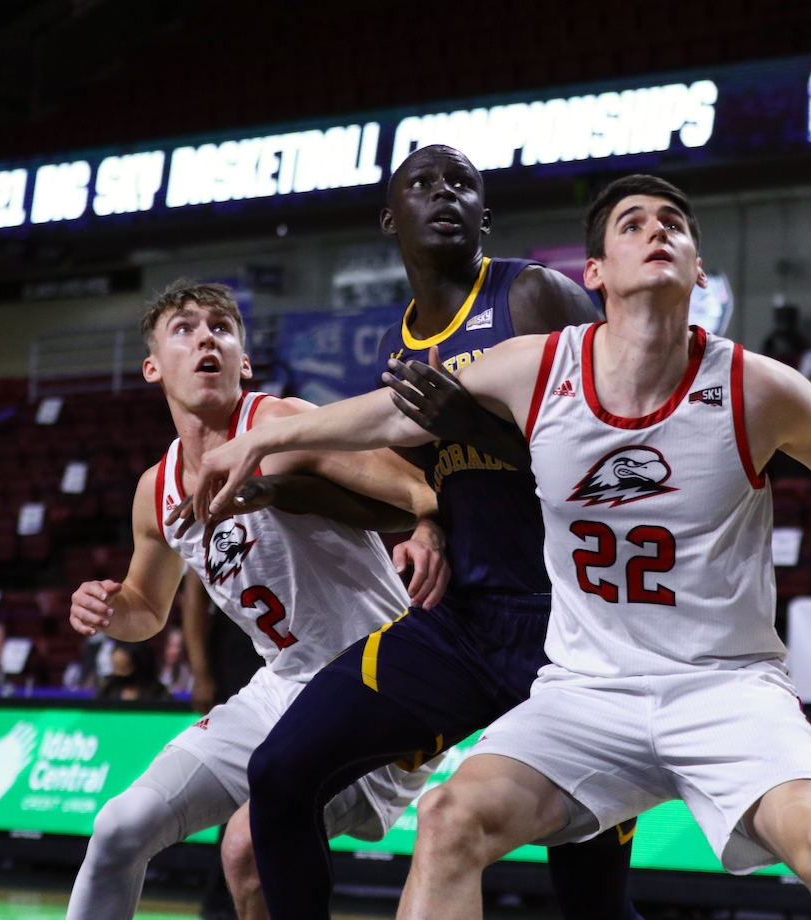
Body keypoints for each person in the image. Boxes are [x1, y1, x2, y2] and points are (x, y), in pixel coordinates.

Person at [191, 174, 811, 920]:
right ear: (593, 274)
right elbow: (387, 414)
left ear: (699, 268)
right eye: (631, 223)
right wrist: (254, 444)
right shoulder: (538, 366)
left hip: (724, 686)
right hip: (585, 689)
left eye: (674, 222)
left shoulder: (757, 387)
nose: (657, 230)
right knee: (451, 823)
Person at [237, 144, 642, 920]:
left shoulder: (533, 297)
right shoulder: (402, 349)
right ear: (392, 219)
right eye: (423, 183)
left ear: (485, 215)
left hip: (574, 635)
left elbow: (620, 447)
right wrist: (298, 494)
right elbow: (427, 492)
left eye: (462, 183)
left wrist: (476, 431)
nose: (444, 193)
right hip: (461, 626)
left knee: (592, 903)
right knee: (279, 773)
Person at [64, 279, 449, 920]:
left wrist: (429, 529)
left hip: (383, 684)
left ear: (243, 361)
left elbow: (419, 489)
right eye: (184, 328)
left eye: (221, 327)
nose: (205, 337)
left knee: (248, 847)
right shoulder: (152, 490)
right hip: (284, 687)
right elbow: (146, 610)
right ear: (153, 366)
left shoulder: (279, 423)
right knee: (119, 829)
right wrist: (108, 610)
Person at [95, 641, 173, 702]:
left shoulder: (158, 694)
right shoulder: (107, 691)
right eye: (115, 668)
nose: (117, 674)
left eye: (123, 669)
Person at [158, 626, 194, 697]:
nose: (173, 651)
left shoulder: (186, 672)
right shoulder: (154, 669)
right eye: (170, 645)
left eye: (177, 646)